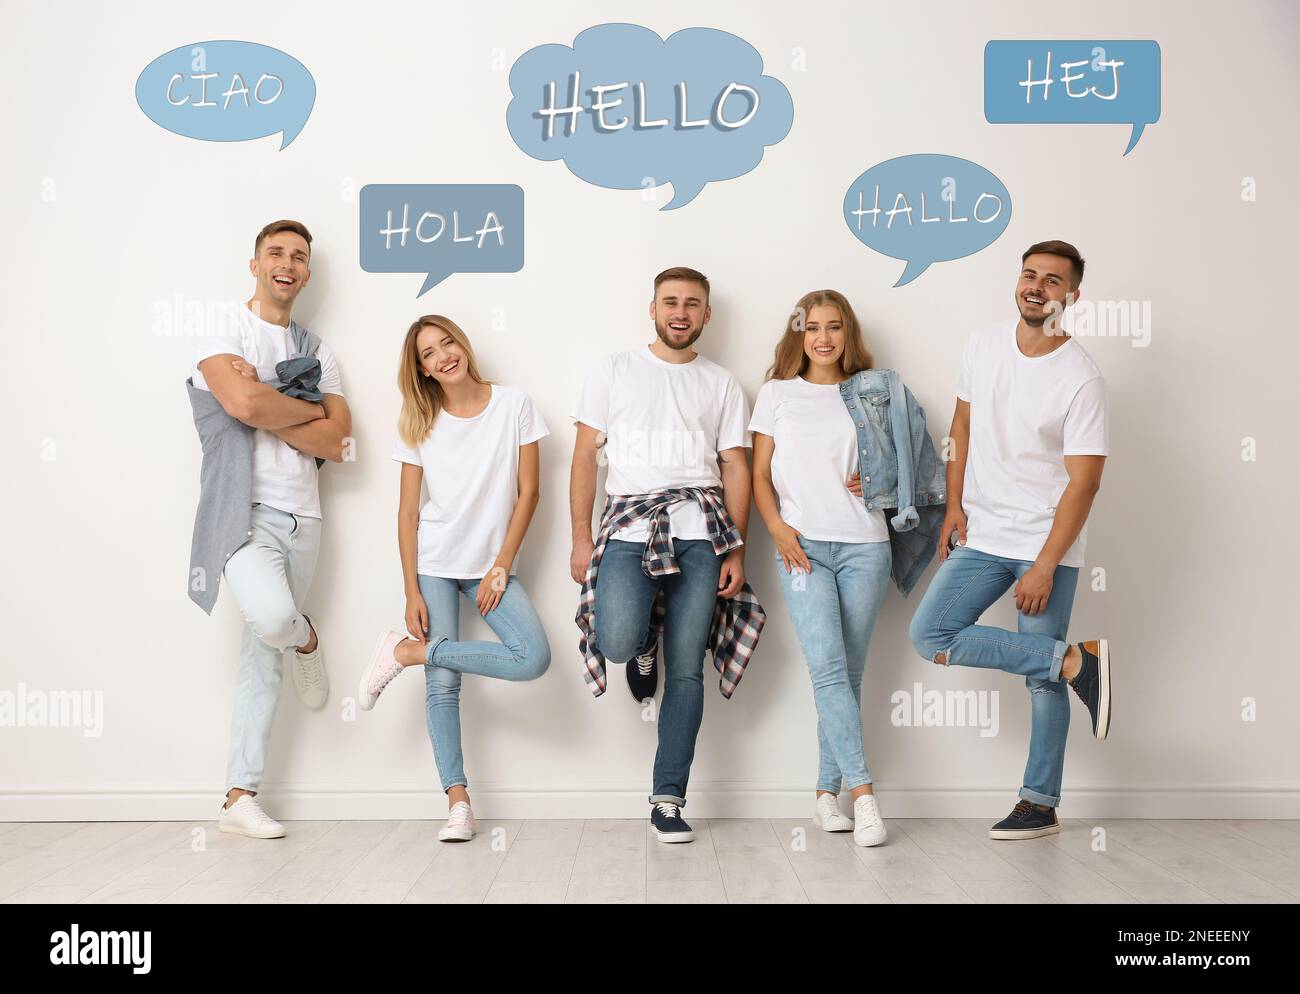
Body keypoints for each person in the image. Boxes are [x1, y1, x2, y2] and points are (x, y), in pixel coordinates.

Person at [908, 240, 1112, 841]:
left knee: (1040, 680)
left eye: (1052, 281)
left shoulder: (1082, 378)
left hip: (1045, 542)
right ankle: (1079, 661)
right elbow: (963, 424)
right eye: (1030, 275)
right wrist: (953, 508)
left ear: (1071, 296)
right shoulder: (983, 344)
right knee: (930, 633)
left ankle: (1039, 803)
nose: (1037, 287)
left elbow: (1086, 482)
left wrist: (1046, 564)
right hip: (982, 533)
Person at [569, 266, 765, 844]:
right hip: (630, 527)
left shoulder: (723, 383)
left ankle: (668, 798)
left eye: (693, 304)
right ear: (651, 309)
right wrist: (581, 537)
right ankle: (642, 643)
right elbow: (584, 458)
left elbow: (736, 466)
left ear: (707, 316)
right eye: (670, 302)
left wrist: (737, 549)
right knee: (617, 641)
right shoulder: (612, 370)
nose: (681, 312)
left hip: (702, 533)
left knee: (687, 671)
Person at [752, 289, 947, 847]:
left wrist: (881, 479)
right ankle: (863, 796)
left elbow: (913, 459)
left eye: (834, 327)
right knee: (828, 671)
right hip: (802, 548)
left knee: (847, 674)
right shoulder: (776, 395)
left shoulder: (875, 392)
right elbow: (760, 476)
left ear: (848, 335)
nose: (823, 338)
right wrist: (779, 530)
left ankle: (823, 794)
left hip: (865, 544)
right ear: (799, 333)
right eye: (812, 327)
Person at [187, 219, 352, 839]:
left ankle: (237, 796)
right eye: (276, 253)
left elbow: (339, 441)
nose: (288, 264)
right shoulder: (223, 327)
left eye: (300, 257)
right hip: (243, 512)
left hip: (304, 515)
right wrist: (293, 407)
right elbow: (242, 405)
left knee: (261, 655)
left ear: (307, 273)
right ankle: (307, 638)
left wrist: (266, 401)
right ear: (254, 264)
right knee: (277, 619)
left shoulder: (319, 347)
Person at [357, 315, 550, 842]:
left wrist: (501, 565)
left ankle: (405, 653)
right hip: (436, 564)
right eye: (428, 353)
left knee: (533, 656)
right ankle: (458, 802)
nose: (443, 355)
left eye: (447, 342)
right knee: (444, 686)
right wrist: (410, 589)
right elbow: (406, 513)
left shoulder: (514, 405)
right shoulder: (420, 421)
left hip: (491, 566)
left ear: (462, 344)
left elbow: (529, 492)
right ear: (420, 369)